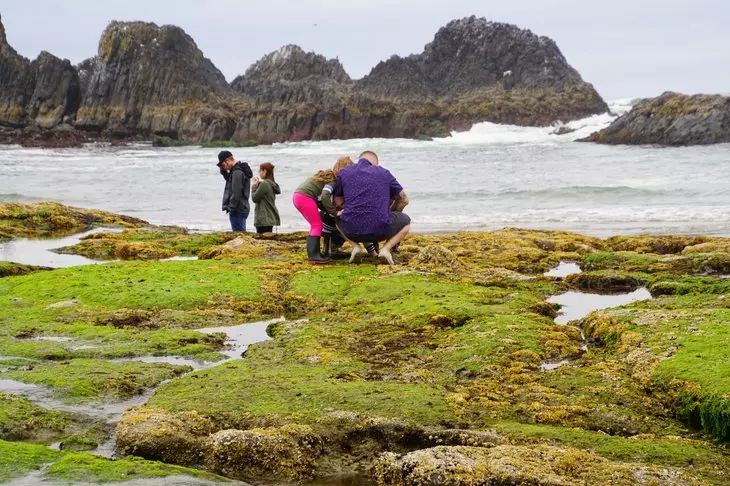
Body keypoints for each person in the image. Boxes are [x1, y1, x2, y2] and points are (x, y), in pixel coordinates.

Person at [333, 150, 410, 265]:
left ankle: (356, 247)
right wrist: (389, 210)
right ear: (376, 163)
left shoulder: (344, 173)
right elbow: (403, 199)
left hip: (352, 230)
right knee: (406, 222)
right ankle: (385, 250)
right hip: (381, 231)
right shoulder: (383, 172)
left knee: (337, 220)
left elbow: (337, 203)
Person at [293, 157, 352, 264]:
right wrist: (334, 212)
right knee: (317, 226)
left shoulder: (327, 176)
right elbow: (325, 196)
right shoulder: (333, 181)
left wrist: (326, 210)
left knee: (315, 225)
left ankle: (316, 254)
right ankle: (314, 256)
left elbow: (320, 198)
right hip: (305, 197)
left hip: (298, 196)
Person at [217, 150, 253, 232]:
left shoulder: (237, 172)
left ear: (228, 160)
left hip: (238, 209)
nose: (224, 167)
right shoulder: (238, 170)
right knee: (242, 235)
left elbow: (237, 193)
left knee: (239, 236)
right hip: (242, 207)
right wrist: (223, 172)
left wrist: (231, 208)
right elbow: (231, 182)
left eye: (223, 165)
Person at [251, 162, 281, 234]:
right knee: (268, 239)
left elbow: (254, 198)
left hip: (263, 218)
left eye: (260, 170)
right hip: (269, 218)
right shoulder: (271, 183)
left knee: (261, 240)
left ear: (265, 171)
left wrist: (254, 186)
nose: (259, 172)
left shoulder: (265, 183)